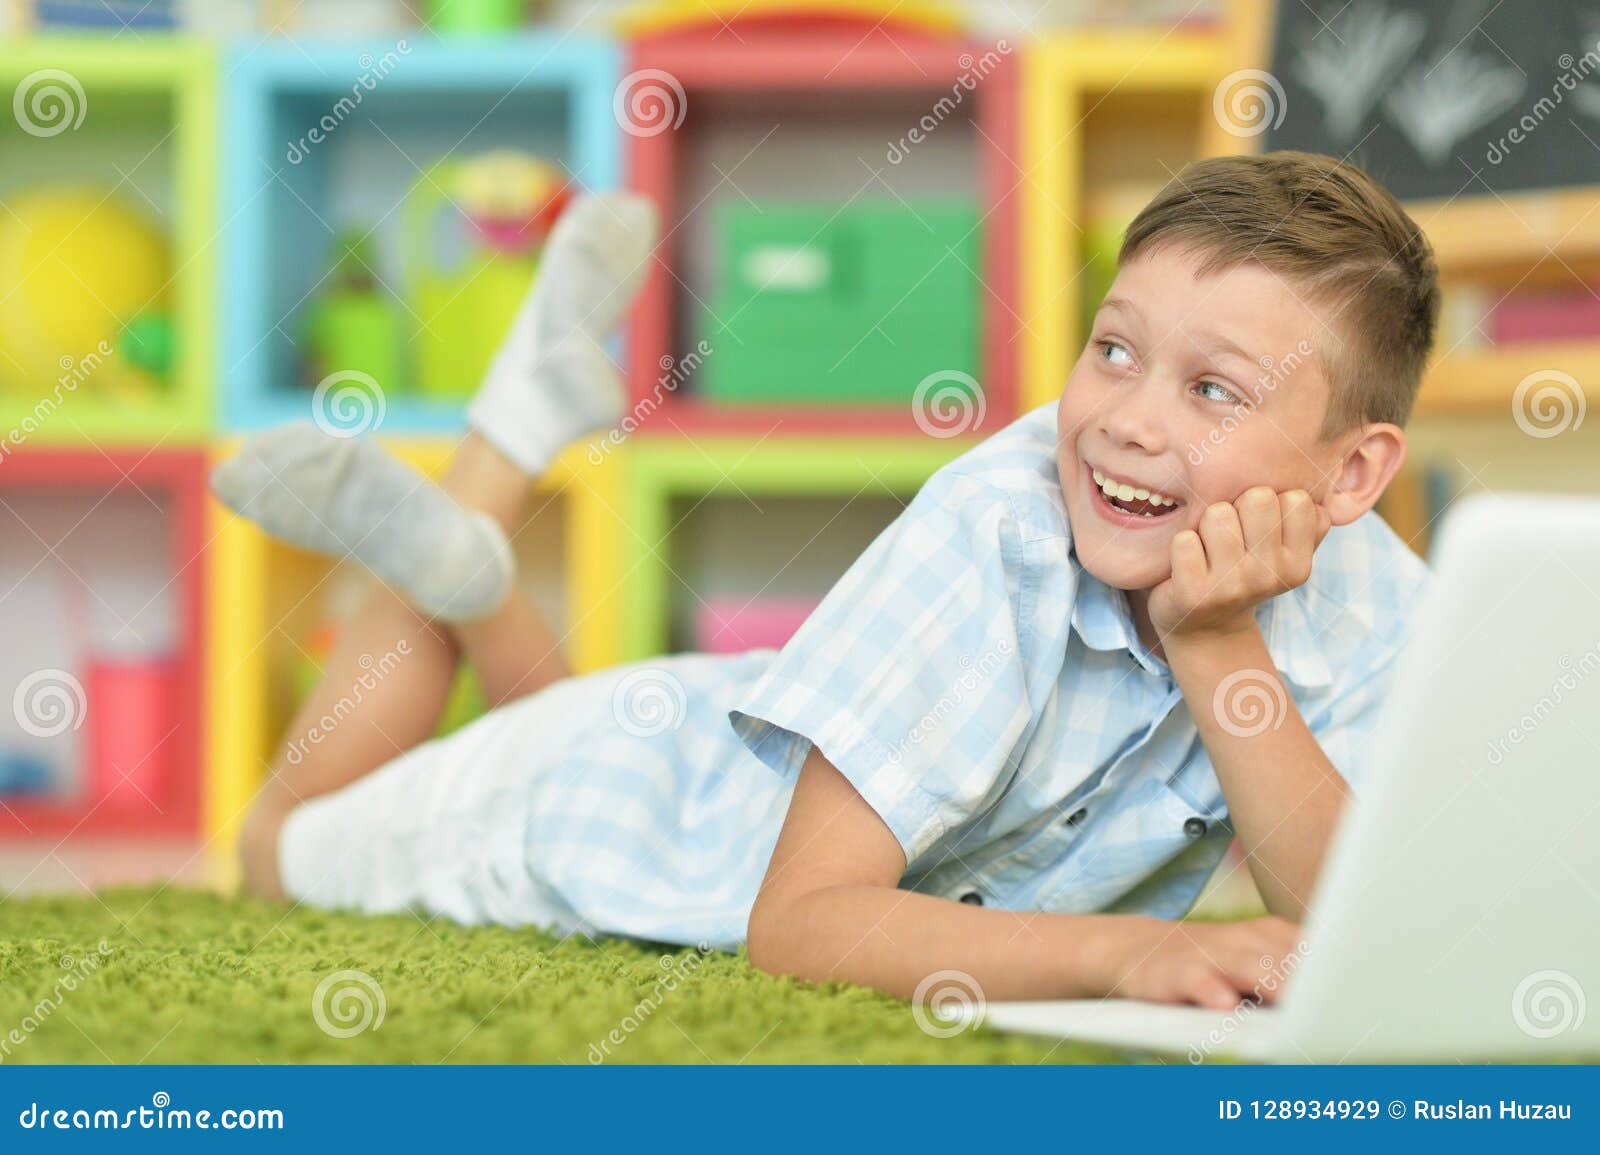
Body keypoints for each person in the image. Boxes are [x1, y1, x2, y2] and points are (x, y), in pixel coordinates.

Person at [213, 150, 1436, 1009]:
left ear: (1352, 476)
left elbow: (1349, 922)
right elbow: (796, 925)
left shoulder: (1381, 600)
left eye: (1211, 389)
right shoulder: (995, 530)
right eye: (1112, 349)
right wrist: (1118, 957)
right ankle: (489, 467)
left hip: (683, 748)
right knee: (270, 853)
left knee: (544, 701)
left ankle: (504, 484)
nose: (1123, 419)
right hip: (592, 805)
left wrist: (1220, 648)